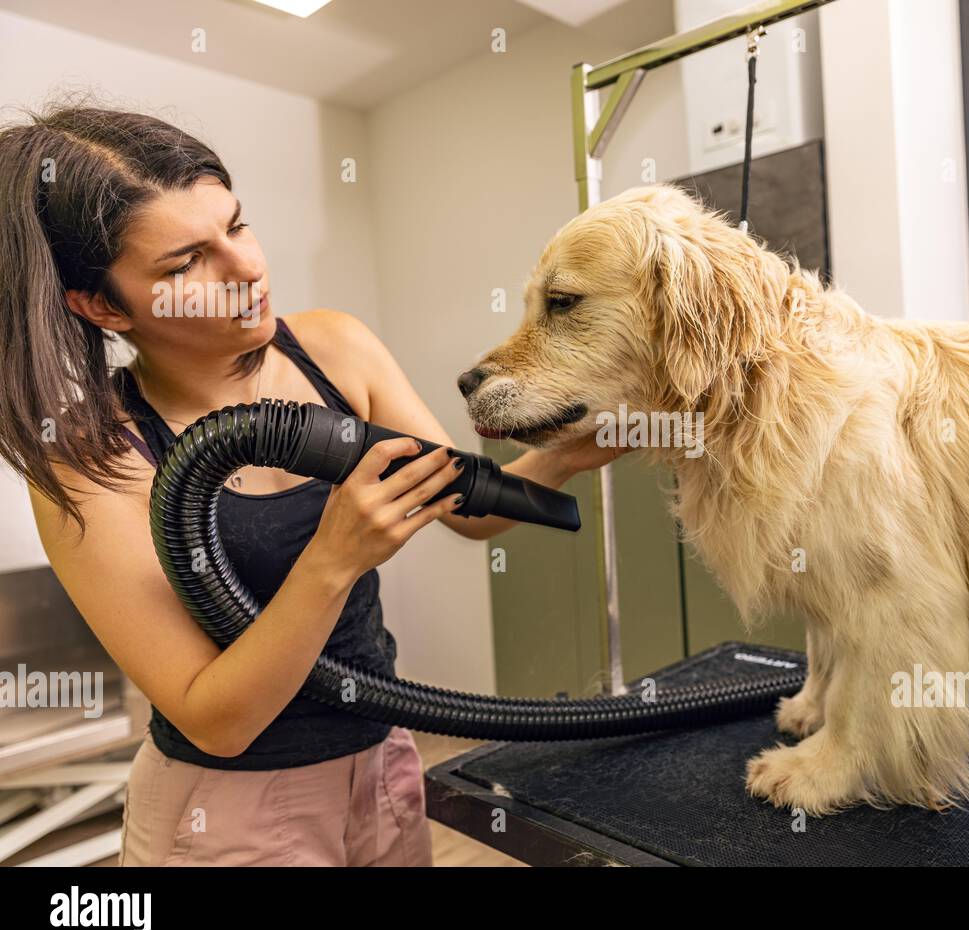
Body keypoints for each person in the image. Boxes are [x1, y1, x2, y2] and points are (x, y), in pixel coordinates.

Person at [0, 104, 622, 866]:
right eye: (185, 264)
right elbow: (214, 720)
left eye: (237, 225)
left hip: (382, 764)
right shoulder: (93, 455)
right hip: (228, 813)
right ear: (100, 305)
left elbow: (463, 504)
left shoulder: (334, 345)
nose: (246, 268)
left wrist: (564, 456)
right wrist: (335, 557)